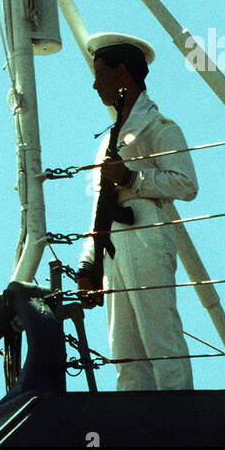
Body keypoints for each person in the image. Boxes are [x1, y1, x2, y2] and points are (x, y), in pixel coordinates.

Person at [76, 33, 198, 390]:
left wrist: (132, 177)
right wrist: (88, 263)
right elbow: (100, 206)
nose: (96, 84)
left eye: (102, 74)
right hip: (114, 245)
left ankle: (178, 421)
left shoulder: (160, 129)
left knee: (161, 339)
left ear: (123, 73)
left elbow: (185, 184)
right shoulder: (108, 140)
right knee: (124, 352)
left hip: (147, 233)